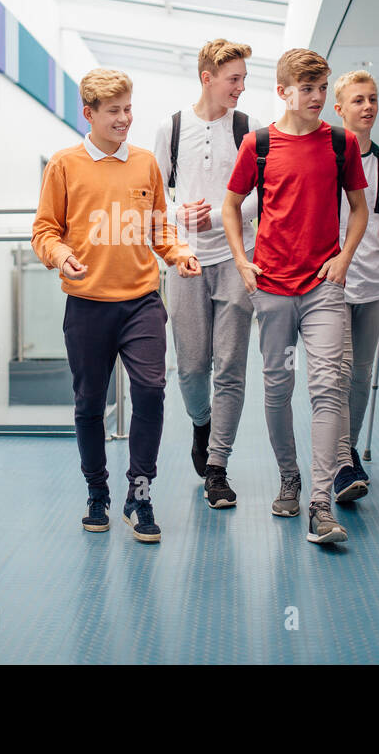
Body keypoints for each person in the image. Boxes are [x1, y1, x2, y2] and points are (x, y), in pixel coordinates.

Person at [32, 68, 201, 543]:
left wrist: (179, 253)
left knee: (151, 390)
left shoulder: (146, 163)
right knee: (89, 402)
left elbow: (159, 227)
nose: (125, 118)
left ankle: (139, 494)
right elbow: (44, 230)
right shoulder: (64, 165)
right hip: (87, 306)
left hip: (142, 301)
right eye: (114, 111)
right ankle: (97, 492)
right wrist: (61, 255)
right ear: (88, 114)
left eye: (129, 109)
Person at [223, 49, 369, 546]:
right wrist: (243, 261)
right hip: (271, 287)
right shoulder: (258, 144)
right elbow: (230, 204)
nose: (317, 98)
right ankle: (290, 476)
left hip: (323, 287)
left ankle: (321, 502)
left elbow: (358, 208)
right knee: (278, 387)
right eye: (307, 89)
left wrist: (344, 259)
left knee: (329, 387)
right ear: (283, 91)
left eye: (322, 88)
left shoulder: (341, 143)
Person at [152, 39, 260, 509]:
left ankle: (218, 466)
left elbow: (261, 196)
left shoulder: (249, 129)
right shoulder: (171, 128)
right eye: (233, 79)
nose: (240, 87)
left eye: (242, 79)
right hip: (186, 261)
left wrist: (215, 218)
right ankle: (202, 422)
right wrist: (180, 215)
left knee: (231, 366)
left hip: (238, 257)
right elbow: (154, 199)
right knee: (193, 366)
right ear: (207, 79)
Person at [331, 70, 379, 503]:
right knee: (338, 374)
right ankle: (342, 461)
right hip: (329, 285)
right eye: (358, 100)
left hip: (373, 285)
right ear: (340, 109)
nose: (368, 107)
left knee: (361, 375)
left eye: (373, 99)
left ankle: (345, 454)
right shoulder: (325, 157)